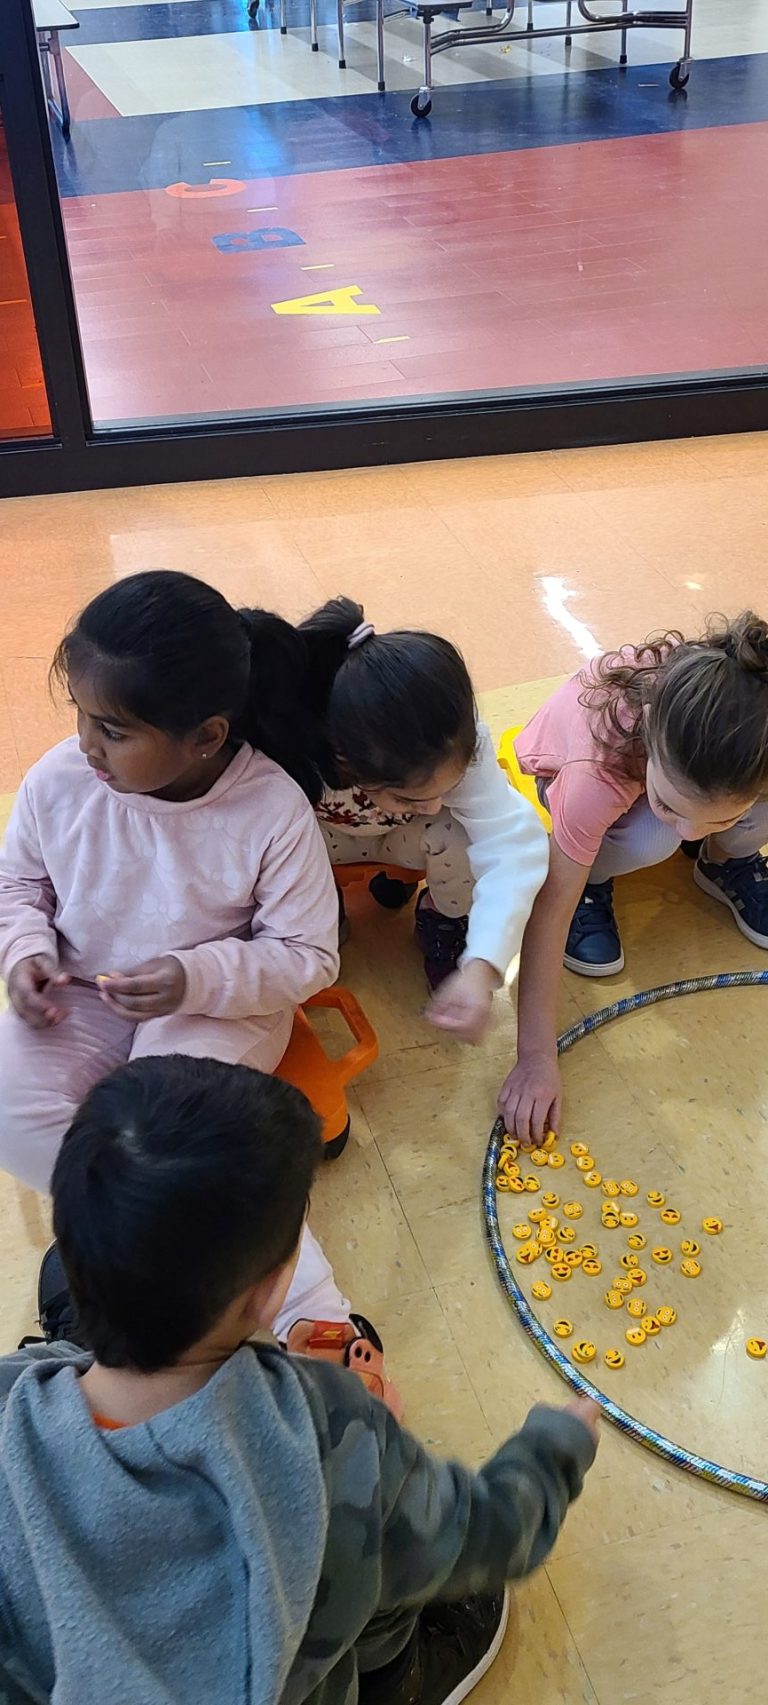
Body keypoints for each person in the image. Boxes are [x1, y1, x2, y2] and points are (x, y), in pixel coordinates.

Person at [0, 1055, 600, 1705]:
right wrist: (553, 1449)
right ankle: (401, 1674)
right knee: (380, 1542)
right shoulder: (333, 1432)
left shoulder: (11, 1397)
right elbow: (490, 1534)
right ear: (267, 1297)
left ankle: (102, 1326)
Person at [0, 569, 359, 1349]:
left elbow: (307, 954)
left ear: (206, 735)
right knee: (8, 1103)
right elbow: (17, 882)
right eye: (83, 718)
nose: (87, 745)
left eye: (115, 731)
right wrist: (25, 949)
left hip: (211, 1009)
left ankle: (318, 1315)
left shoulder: (269, 810)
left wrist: (194, 975)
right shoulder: (60, 779)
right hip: (83, 990)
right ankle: (151, 1245)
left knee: (177, 1138)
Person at [499, 612, 768, 1143]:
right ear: (648, 731)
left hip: (661, 774)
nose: (693, 829)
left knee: (713, 818)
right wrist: (535, 1060)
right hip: (565, 772)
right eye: (670, 801)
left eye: (717, 819)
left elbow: (698, 804)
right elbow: (546, 912)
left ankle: (725, 859)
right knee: (657, 838)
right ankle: (592, 882)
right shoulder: (596, 770)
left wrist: (706, 815)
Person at [268, 596, 549, 1046]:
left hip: (402, 838)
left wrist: (482, 965)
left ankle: (443, 916)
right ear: (346, 763)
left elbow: (514, 844)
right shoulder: (297, 745)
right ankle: (325, 905)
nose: (434, 804)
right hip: (321, 839)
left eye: (444, 788)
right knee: (276, 849)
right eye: (410, 795)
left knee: (457, 832)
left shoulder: (454, 740)